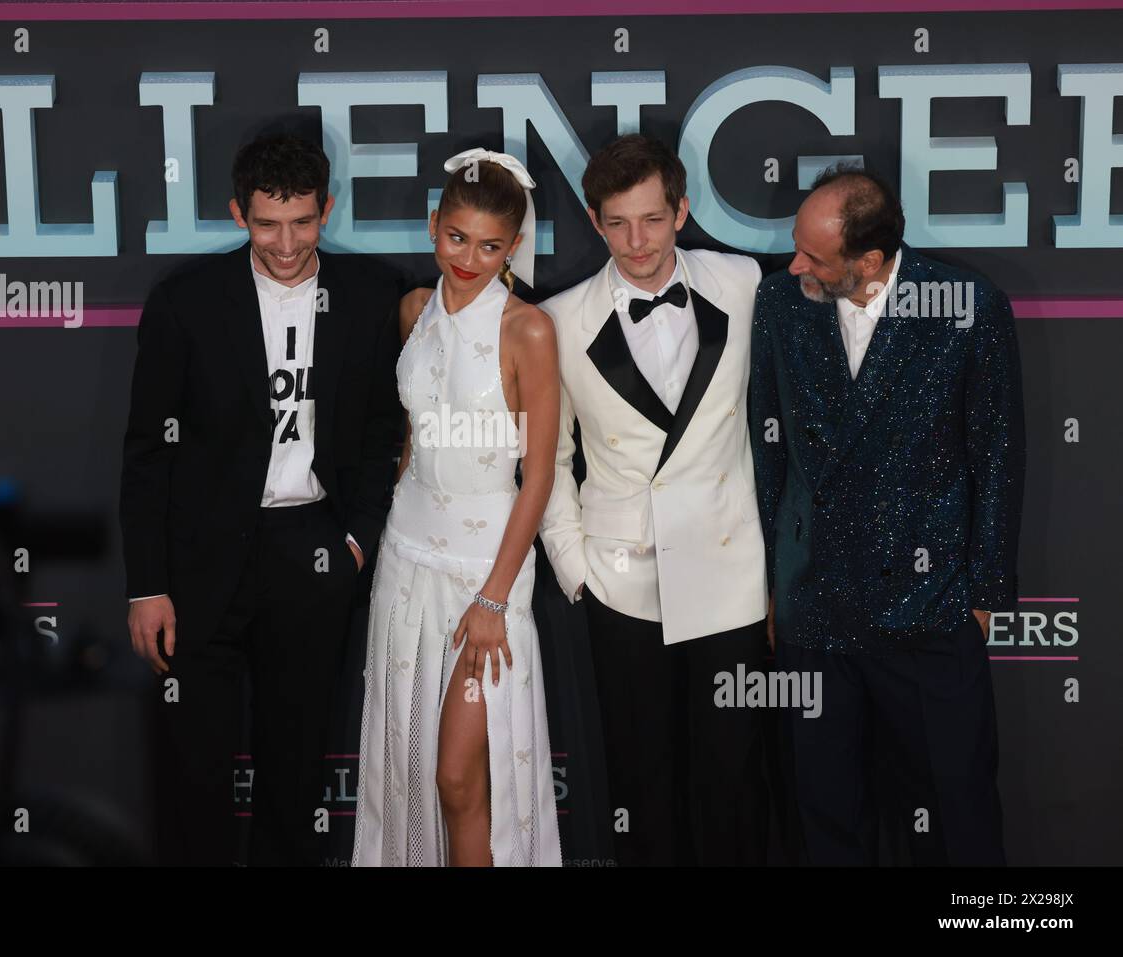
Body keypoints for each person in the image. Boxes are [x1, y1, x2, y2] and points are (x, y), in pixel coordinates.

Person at [119, 133, 404, 865]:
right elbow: (147, 452)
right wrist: (147, 584)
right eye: (268, 223)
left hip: (313, 552)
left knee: (295, 771)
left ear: (327, 210)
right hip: (201, 563)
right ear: (238, 212)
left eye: (304, 222)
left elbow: (383, 435)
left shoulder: (371, 298)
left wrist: (356, 540)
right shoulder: (186, 304)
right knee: (193, 775)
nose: (286, 242)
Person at [749, 162, 1024, 865]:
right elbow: (769, 448)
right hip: (814, 608)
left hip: (928, 611)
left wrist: (984, 596)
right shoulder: (782, 303)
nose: (793, 263)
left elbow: (997, 455)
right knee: (825, 817)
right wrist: (774, 584)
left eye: (813, 255)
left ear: (868, 260)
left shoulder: (967, 305)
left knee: (959, 814)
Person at [538, 134, 769, 865]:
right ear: (593, 219)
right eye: (616, 223)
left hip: (730, 582)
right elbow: (548, 457)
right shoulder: (559, 319)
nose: (636, 242)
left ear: (681, 208)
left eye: (652, 219)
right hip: (623, 582)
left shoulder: (743, 282)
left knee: (733, 785)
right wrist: (577, 567)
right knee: (642, 786)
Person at [351, 148, 563, 867]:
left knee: (457, 773)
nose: (469, 258)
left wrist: (495, 598)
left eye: (491, 245)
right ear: (434, 224)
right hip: (405, 560)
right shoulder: (414, 309)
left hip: (485, 573)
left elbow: (537, 477)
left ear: (515, 246)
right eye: (456, 237)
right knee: (410, 769)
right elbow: (414, 438)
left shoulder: (527, 330)